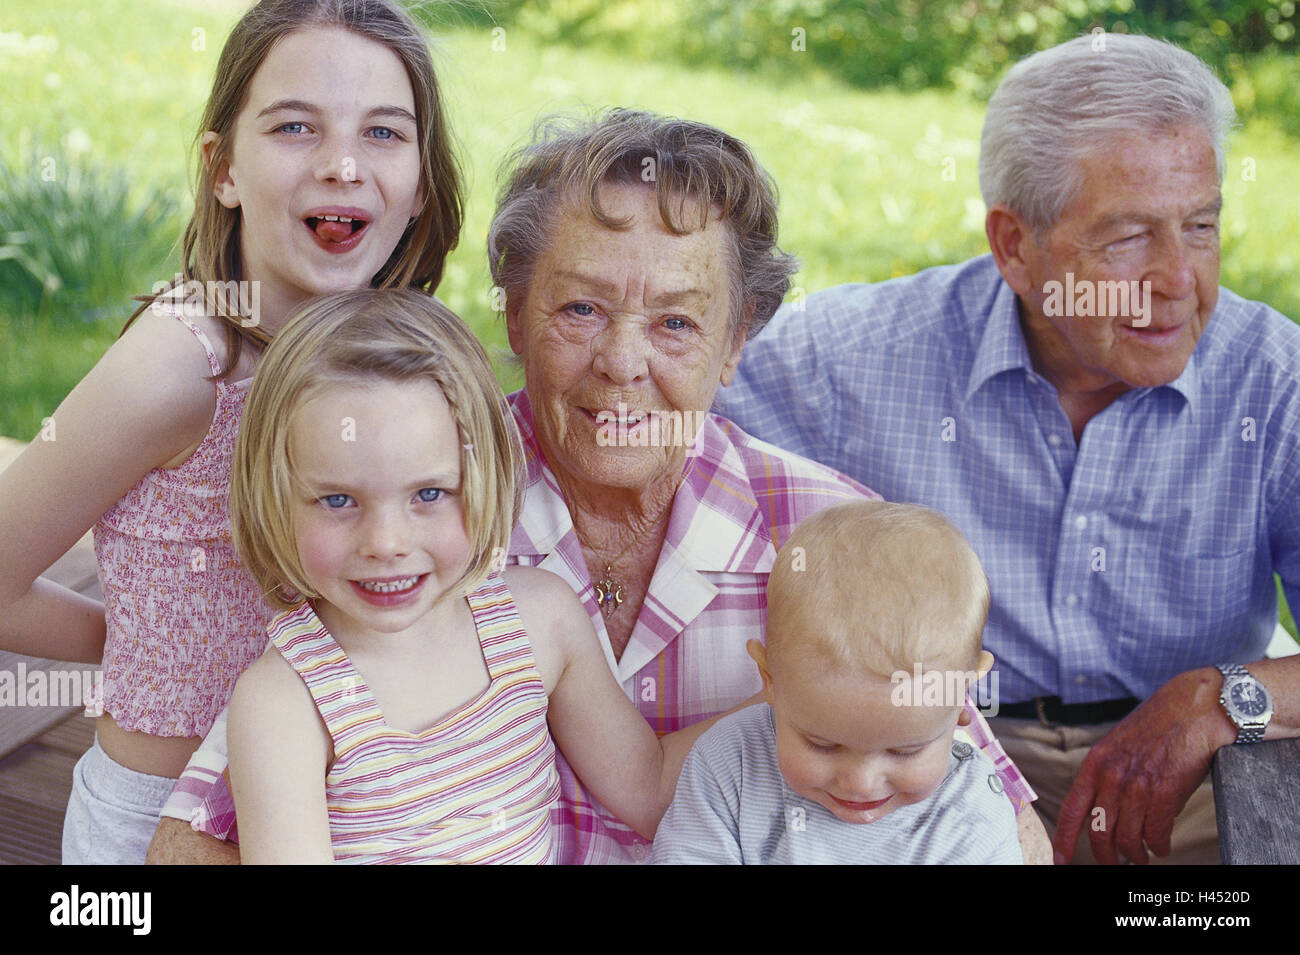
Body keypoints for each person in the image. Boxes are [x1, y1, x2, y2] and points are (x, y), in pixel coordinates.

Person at [149, 109, 1043, 865]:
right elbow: (191, 837)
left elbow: (1002, 816)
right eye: (579, 309)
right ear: (514, 315)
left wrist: (818, 701)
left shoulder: (832, 536)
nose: (622, 363)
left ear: (738, 342)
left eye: (677, 322)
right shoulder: (420, 493)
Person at [714, 33, 1300, 865]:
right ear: (1015, 247)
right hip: (923, 774)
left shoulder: (1274, 382)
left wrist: (1218, 697)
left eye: (1200, 225)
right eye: (1129, 238)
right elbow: (655, 401)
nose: (1180, 279)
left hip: (1194, 776)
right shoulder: (855, 360)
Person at [0, 0, 463, 863]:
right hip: (157, 823)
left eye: (384, 133)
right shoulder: (183, 366)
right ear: (222, 168)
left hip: (342, 815)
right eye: (294, 127)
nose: (342, 165)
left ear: (423, 184)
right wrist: (142, 643)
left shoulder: (401, 364)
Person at [226, 288, 739, 862]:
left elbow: (648, 788)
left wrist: (783, 707)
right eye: (338, 501)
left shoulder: (539, 622)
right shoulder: (285, 702)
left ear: (486, 475)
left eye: (429, 494)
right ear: (273, 498)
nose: (386, 544)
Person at [651, 500, 1022, 864]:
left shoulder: (971, 808)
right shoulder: (732, 763)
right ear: (770, 679)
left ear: (961, 695)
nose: (861, 782)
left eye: (904, 751)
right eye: (823, 745)